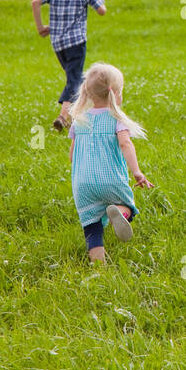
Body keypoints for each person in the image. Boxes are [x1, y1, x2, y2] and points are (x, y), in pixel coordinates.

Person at [67, 63, 153, 263]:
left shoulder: (78, 120)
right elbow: (125, 143)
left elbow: (72, 156)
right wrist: (137, 172)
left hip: (83, 183)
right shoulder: (116, 118)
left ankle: (98, 264)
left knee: (91, 222)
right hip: (110, 179)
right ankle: (121, 214)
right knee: (127, 206)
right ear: (115, 93)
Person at [32, 0, 107, 131]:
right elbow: (102, 10)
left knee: (77, 79)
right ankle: (63, 117)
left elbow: (35, 2)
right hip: (76, 43)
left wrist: (41, 27)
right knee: (74, 80)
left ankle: (80, 115)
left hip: (58, 45)